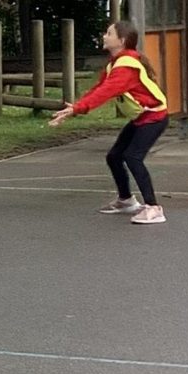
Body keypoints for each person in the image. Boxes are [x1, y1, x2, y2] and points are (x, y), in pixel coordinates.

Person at [50, 21, 170, 225]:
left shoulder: (126, 66)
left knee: (132, 156)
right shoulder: (115, 62)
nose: (104, 36)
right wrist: (76, 107)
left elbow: (106, 92)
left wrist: (77, 108)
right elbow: (99, 88)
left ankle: (153, 208)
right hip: (142, 118)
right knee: (114, 156)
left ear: (121, 41)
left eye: (109, 33)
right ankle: (126, 200)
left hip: (155, 117)